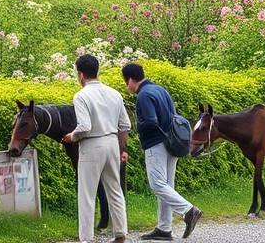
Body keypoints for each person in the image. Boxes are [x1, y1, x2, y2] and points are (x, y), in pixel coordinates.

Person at [122, 62, 202, 240]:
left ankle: (188, 211)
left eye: (126, 83)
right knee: (167, 185)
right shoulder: (160, 90)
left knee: (157, 184)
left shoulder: (143, 95)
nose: (127, 87)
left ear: (130, 80)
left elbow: (150, 121)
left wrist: (137, 127)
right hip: (172, 143)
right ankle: (164, 229)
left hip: (155, 144)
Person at [63, 54, 130, 243]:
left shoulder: (81, 96)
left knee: (87, 193)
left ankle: (86, 238)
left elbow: (84, 127)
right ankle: (121, 233)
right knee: (115, 189)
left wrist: (71, 136)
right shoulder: (114, 93)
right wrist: (121, 147)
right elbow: (125, 124)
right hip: (112, 142)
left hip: (92, 145)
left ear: (81, 74)